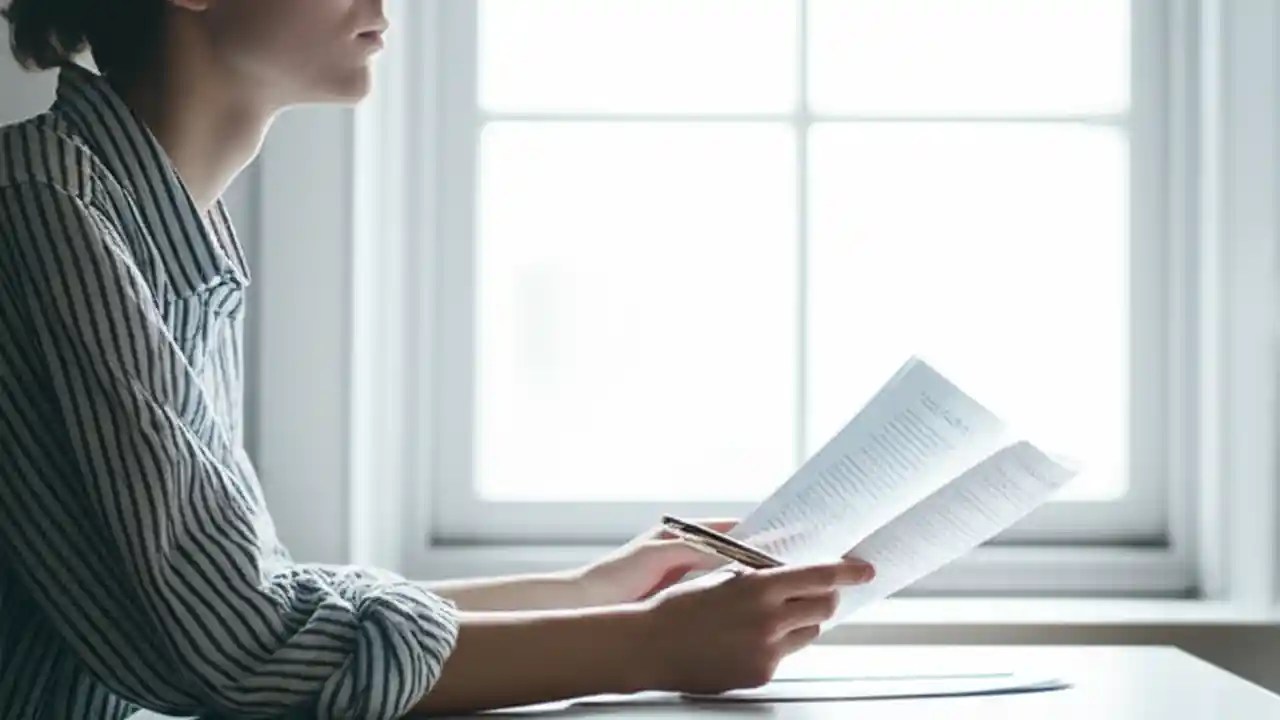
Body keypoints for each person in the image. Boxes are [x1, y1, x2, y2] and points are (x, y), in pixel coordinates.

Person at [0, 1, 876, 717]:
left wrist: (593, 592)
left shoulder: (151, 233)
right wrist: (651, 644)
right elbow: (242, 648)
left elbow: (257, 601)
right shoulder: (48, 209)